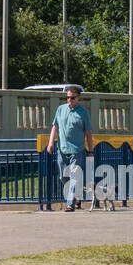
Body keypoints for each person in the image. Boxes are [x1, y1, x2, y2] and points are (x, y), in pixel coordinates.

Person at [45, 84, 93, 212]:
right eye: (67, 98)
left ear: (78, 98)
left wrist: (90, 150)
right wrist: (50, 143)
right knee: (62, 177)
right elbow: (55, 127)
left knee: (74, 177)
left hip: (77, 150)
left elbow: (88, 133)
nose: (69, 100)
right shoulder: (61, 109)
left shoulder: (83, 113)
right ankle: (77, 195)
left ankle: (70, 204)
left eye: (72, 98)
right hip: (62, 149)